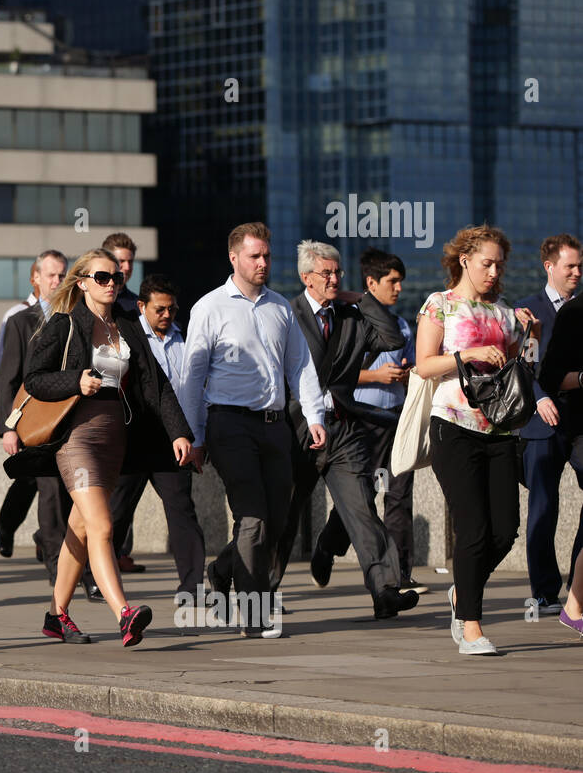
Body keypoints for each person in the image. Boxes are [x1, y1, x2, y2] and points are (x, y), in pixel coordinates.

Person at [8, 249, 191, 646]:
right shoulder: (63, 324)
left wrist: (179, 432)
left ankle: (56, 616)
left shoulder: (127, 324)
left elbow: (156, 385)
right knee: (103, 526)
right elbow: (34, 379)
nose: (111, 284)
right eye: (102, 278)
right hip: (76, 438)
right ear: (82, 282)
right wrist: (77, 380)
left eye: (116, 279)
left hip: (115, 439)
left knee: (80, 526)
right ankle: (124, 614)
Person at [176, 223, 326, 637]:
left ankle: (222, 571)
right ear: (234, 258)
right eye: (254, 256)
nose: (263, 263)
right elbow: (192, 379)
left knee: (276, 524)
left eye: (267, 256)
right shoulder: (209, 307)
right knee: (254, 520)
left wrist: (314, 416)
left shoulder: (281, 308)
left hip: (276, 427)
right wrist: (196, 436)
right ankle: (254, 615)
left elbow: (300, 366)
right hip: (229, 425)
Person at [268, 242, 418, 620]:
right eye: (326, 274)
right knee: (283, 516)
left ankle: (385, 590)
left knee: (362, 508)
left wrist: (362, 299)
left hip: (344, 429)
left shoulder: (351, 315)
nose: (334, 279)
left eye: (338, 273)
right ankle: (250, 584)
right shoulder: (286, 313)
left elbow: (393, 339)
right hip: (298, 430)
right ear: (306, 278)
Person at [416, 224, 535, 655]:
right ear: (465, 259)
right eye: (486, 262)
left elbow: (521, 371)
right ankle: (471, 626)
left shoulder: (506, 313)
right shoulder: (440, 305)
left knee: (504, 531)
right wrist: (468, 354)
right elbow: (424, 365)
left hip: (500, 430)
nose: (493, 271)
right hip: (453, 425)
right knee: (473, 529)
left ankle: (460, 594)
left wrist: (530, 335)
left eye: (499, 264)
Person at [317, 248, 423, 594]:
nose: (399, 289)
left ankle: (399, 576)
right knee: (361, 498)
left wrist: (407, 376)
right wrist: (376, 376)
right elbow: (334, 376)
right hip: (360, 421)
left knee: (399, 496)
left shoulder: (401, 325)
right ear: (370, 283)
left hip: (396, 419)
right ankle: (328, 546)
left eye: (401, 282)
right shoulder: (348, 322)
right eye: (392, 281)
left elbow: (411, 366)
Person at [109, 275, 209, 593]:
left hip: (174, 441)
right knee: (117, 511)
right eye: (160, 309)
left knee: (182, 510)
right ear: (142, 306)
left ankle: (192, 583)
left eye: (172, 309)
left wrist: (195, 439)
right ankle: (96, 574)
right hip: (133, 440)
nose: (167, 315)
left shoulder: (186, 340)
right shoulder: (126, 336)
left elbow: (194, 394)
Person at [515, 235, 582, 613]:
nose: (577, 272)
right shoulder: (528, 309)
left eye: (579, 266)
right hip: (543, 421)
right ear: (549, 267)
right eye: (570, 266)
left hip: (580, 420)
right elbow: (526, 364)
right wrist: (540, 396)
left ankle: (579, 587)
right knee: (543, 507)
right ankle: (544, 591)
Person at [0, 249, 66, 558]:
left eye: (63, 275)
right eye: (51, 275)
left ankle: (59, 553)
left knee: (61, 490)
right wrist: (7, 428)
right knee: (40, 486)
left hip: (67, 419)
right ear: (36, 278)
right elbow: (7, 379)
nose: (58, 281)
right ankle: (54, 563)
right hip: (33, 420)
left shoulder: (77, 318)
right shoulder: (20, 322)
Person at [102, 233, 140, 316]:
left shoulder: (139, 305)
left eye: (130, 262)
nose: (127, 267)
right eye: (121, 261)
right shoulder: (85, 299)